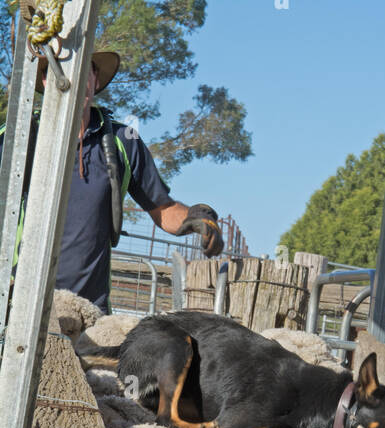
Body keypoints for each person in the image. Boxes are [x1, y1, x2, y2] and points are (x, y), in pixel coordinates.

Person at [2, 49, 224, 311]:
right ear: (46, 80)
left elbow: (163, 209)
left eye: (86, 70)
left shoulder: (123, 139)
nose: (76, 79)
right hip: (17, 307)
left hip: (89, 312)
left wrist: (200, 217)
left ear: (95, 80)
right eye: (65, 70)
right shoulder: (18, 135)